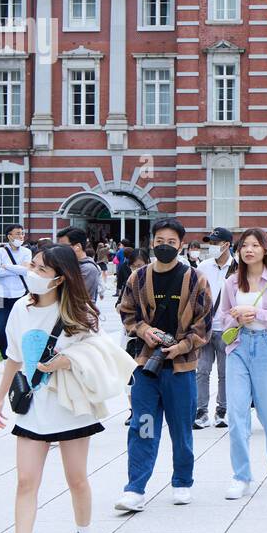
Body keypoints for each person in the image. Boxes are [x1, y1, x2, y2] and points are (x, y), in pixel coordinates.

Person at [0, 244, 132, 533]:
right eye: (32, 266)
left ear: (60, 278)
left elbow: (95, 354)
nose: (31, 273)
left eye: (40, 270)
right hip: (33, 408)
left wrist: (66, 361)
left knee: (77, 478)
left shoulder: (80, 313)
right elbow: (15, 357)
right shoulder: (21, 307)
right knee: (25, 481)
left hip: (69, 406)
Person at [114, 217, 213, 512]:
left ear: (181, 245)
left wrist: (180, 346)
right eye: (160, 241)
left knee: (181, 430)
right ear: (152, 242)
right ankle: (135, 489)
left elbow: (204, 323)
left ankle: (182, 481)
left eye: (172, 242)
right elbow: (126, 311)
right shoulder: (138, 278)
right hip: (147, 365)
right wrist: (145, 331)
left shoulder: (196, 279)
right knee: (142, 427)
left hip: (181, 368)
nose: (165, 247)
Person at [219, 228, 267, 499]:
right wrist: (236, 318)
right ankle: (241, 475)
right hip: (238, 346)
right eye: (244, 246)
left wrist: (255, 312)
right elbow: (223, 317)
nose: (249, 250)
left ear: (265, 249)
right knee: (236, 415)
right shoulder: (231, 283)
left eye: (255, 245)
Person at [194, 228, 236, 430]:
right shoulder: (203, 266)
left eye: (215, 242)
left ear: (226, 244)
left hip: (227, 329)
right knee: (201, 371)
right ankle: (201, 411)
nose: (211, 246)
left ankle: (222, 410)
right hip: (205, 328)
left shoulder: (237, 268)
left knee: (225, 372)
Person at [0, 225, 33, 359]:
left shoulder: (26, 252)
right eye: (18, 234)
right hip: (2, 296)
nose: (21, 236)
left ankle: (20, 357)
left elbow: (26, 270)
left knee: (21, 329)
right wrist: (16, 269)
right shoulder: (0, 252)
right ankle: (6, 357)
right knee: (0, 330)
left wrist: (7, 266)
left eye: (22, 233)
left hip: (21, 295)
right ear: (9, 236)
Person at [55, 227, 102, 302]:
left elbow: (74, 296)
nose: (60, 250)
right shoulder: (70, 264)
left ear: (77, 247)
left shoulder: (88, 268)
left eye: (63, 247)